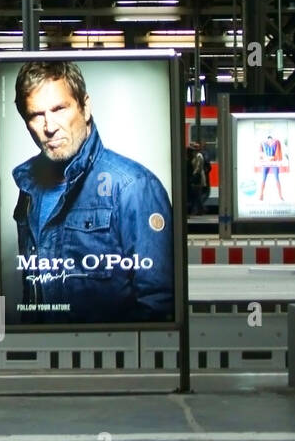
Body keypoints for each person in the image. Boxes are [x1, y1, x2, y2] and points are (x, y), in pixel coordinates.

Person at [10, 59, 174, 324]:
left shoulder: (134, 186)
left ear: (85, 107)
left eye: (60, 109)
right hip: (44, 353)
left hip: (106, 356)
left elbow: (158, 301)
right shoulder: (29, 186)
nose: (49, 127)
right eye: (36, 115)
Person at [257, 130, 286, 201]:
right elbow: (260, 153)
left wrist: (274, 159)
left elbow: (278, 152)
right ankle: (261, 195)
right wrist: (265, 158)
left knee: (276, 178)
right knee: (264, 178)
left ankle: (280, 195)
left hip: (274, 162)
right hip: (266, 162)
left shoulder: (276, 142)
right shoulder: (262, 142)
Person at [187, 140, 207, 215]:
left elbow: (198, 167)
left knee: (197, 194)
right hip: (196, 177)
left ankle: (200, 210)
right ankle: (200, 209)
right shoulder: (195, 156)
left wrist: (194, 175)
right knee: (197, 195)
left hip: (198, 177)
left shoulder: (199, 156)